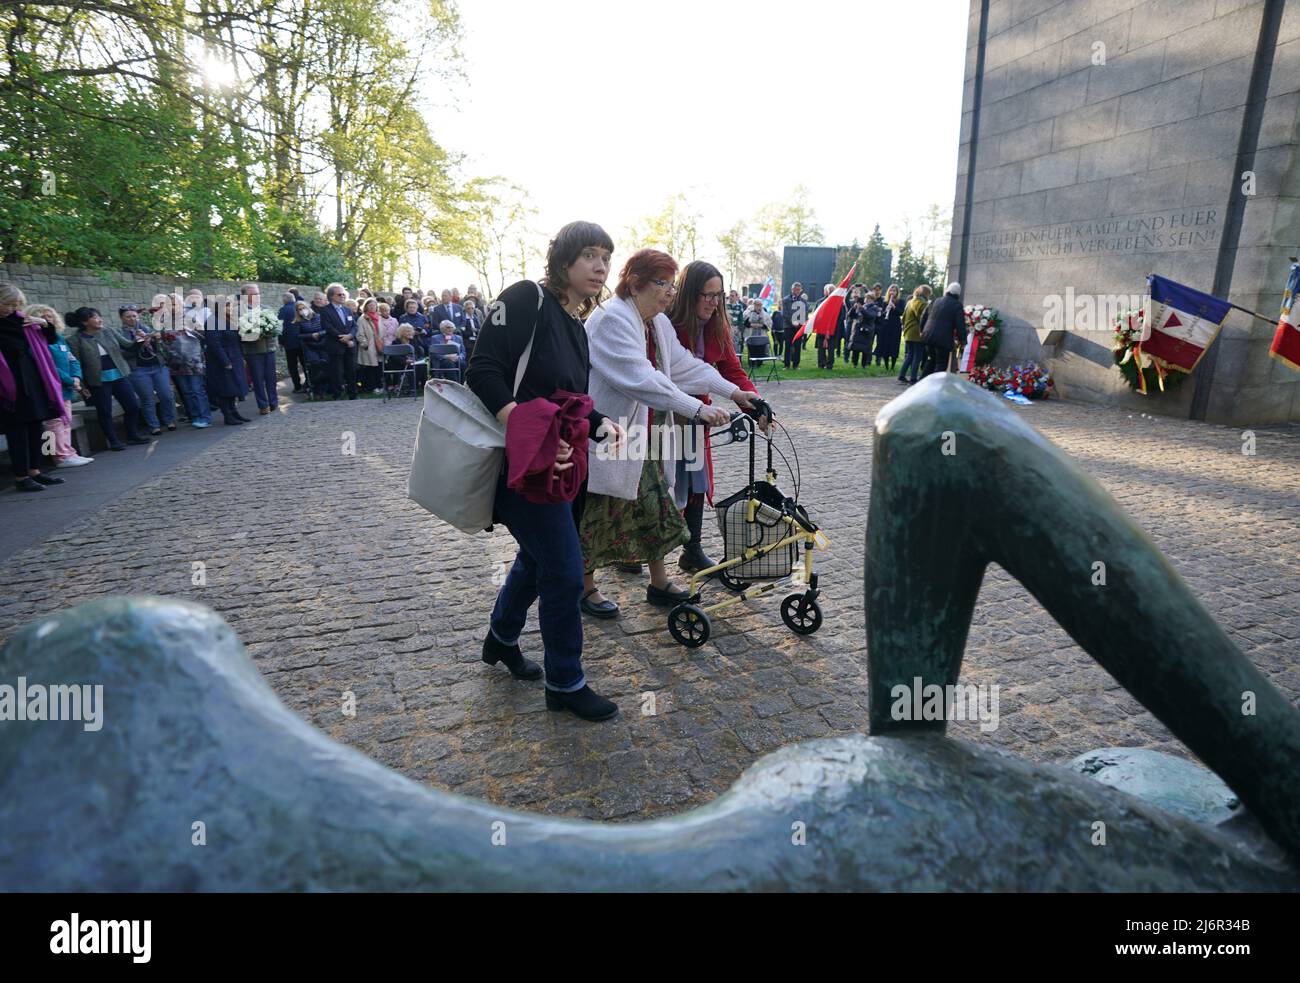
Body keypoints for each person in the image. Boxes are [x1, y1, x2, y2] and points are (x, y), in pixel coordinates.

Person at [466, 220, 624, 722]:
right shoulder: (522, 298)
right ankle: (565, 682)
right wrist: (529, 435)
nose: (600, 266)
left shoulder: (576, 325)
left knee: (536, 563)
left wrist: (601, 424)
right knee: (563, 570)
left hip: (562, 467)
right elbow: (482, 371)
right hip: (522, 468)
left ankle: (501, 638)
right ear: (563, 261)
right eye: (589, 255)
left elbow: (567, 399)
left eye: (605, 256)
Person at [579, 249, 744, 616]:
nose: (670, 292)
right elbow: (642, 379)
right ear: (635, 283)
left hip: (647, 432)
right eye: (662, 283)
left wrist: (734, 392)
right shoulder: (612, 319)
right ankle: (584, 586)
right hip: (613, 432)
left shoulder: (656, 321)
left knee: (655, 505)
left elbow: (684, 366)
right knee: (601, 510)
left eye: (672, 284)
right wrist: (697, 408)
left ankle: (658, 581)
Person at [667, 260, 767, 575]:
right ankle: (631, 552)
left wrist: (756, 403)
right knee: (659, 483)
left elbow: (732, 370)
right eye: (707, 295)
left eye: (718, 295)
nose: (713, 302)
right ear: (687, 293)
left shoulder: (716, 324)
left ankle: (692, 550)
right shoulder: (666, 323)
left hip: (700, 417)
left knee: (697, 481)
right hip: (665, 416)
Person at [0, 286, 74, 491]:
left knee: (36, 428)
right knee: (17, 432)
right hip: (8, 387)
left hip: (32, 381)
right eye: (8, 304)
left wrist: (44, 323)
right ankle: (20, 477)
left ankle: (35, 471)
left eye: (15, 305)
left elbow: (49, 339)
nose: (12, 309)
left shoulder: (22, 320)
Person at [65, 305, 150, 449]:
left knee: (133, 406)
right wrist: (82, 387)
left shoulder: (108, 331)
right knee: (104, 412)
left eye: (99, 316)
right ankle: (113, 441)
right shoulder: (74, 340)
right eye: (95, 317)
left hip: (119, 375)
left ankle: (132, 435)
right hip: (98, 381)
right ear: (85, 322)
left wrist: (140, 340)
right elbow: (76, 364)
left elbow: (128, 346)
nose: (99, 320)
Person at [26, 304, 93, 467]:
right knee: (54, 422)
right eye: (42, 316)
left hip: (66, 387)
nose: (47, 319)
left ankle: (68, 452)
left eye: (50, 316)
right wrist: (70, 380)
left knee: (66, 420)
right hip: (51, 388)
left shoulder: (58, 338)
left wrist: (76, 377)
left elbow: (72, 360)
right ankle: (59, 457)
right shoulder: (35, 341)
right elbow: (48, 366)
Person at [118, 303, 178, 434]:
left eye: (134, 316)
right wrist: (137, 343)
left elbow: (161, 348)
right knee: (147, 398)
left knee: (166, 395)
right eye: (128, 317)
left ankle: (170, 420)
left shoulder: (147, 328)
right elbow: (123, 354)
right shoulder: (120, 334)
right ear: (122, 318)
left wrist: (156, 339)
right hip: (138, 369)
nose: (132, 319)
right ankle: (154, 425)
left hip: (158, 366)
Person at [159, 292, 212, 428]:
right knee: (186, 392)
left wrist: (190, 329)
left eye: (175, 303)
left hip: (193, 360)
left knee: (197, 390)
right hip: (175, 362)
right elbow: (163, 342)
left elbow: (204, 335)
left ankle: (204, 417)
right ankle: (194, 416)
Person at [202, 294, 251, 425]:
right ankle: (228, 416)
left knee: (233, 388)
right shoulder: (213, 321)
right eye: (228, 305)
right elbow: (214, 344)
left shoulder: (228, 319)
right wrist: (225, 362)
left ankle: (234, 413)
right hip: (222, 361)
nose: (231, 308)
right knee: (225, 389)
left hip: (234, 357)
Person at [237, 283, 279, 415]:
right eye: (253, 294)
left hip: (269, 349)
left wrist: (270, 332)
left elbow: (276, 327)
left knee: (271, 378)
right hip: (253, 351)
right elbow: (238, 332)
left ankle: (274, 402)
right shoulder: (239, 311)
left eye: (258, 293)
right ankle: (263, 405)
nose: (257, 296)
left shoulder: (266, 308)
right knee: (258, 379)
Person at [920, 281, 966, 378]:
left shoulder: (935, 301)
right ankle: (936, 388)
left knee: (931, 360)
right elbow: (960, 325)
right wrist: (963, 340)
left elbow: (924, 316)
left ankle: (921, 384)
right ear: (958, 294)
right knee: (941, 364)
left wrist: (922, 330)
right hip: (943, 339)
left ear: (947, 290)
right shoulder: (957, 305)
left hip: (928, 336)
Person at [321, 282, 358, 400]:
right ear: (332, 296)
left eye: (343, 294)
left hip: (350, 345)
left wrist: (350, 336)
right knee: (337, 372)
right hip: (335, 345)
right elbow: (328, 327)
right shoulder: (325, 311)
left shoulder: (347, 310)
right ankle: (337, 394)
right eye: (339, 295)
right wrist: (343, 338)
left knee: (351, 370)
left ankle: (353, 394)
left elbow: (354, 326)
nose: (342, 296)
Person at [897, 284, 932, 384]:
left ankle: (901, 375)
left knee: (910, 355)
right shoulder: (921, 303)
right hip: (917, 334)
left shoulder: (910, 302)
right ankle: (913, 378)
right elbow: (923, 318)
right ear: (926, 293)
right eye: (929, 294)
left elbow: (903, 318)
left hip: (908, 332)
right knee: (917, 356)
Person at [279, 291, 306, 393]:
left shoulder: (283, 310)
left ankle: (297, 386)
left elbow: (280, 327)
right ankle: (308, 384)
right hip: (302, 340)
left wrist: (281, 342)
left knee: (292, 365)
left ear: (284, 300)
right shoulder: (300, 308)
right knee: (305, 363)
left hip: (289, 343)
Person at [849, 286, 882, 368]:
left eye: (869, 299)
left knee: (865, 349)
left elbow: (870, 316)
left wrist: (861, 309)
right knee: (855, 348)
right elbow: (851, 315)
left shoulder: (874, 308)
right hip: (857, 330)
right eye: (866, 298)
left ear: (872, 300)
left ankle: (864, 364)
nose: (866, 300)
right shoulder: (862, 306)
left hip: (867, 330)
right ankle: (855, 364)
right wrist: (853, 309)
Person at [874, 284, 904, 372]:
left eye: (894, 291)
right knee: (886, 345)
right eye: (891, 290)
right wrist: (886, 310)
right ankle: (886, 365)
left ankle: (893, 366)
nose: (892, 292)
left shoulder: (900, 301)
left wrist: (894, 307)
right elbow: (882, 315)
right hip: (886, 326)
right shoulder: (885, 302)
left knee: (894, 345)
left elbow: (901, 312)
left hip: (895, 326)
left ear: (897, 292)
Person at [356, 298, 383, 394]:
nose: (372, 307)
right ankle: (372, 387)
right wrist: (364, 344)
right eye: (370, 305)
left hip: (379, 345)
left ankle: (380, 386)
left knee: (379, 367)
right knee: (370, 368)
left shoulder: (379, 317)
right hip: (369, 346)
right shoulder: (362, 318)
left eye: (374, 305)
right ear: (365, 306)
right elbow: (360, 334)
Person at [783, 282, 809, 369]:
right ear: (792, 290)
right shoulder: (786, 300)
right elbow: (785, 314)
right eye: (796, 289)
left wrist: (800, 323)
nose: (797, 291)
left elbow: (805, 314)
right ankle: (786, 365)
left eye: (799, 290)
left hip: (799, 327)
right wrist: (792, 322)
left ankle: (796, 365)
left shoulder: (803, 301)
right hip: (788, 326)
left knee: (798, 346)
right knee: (788, 346)